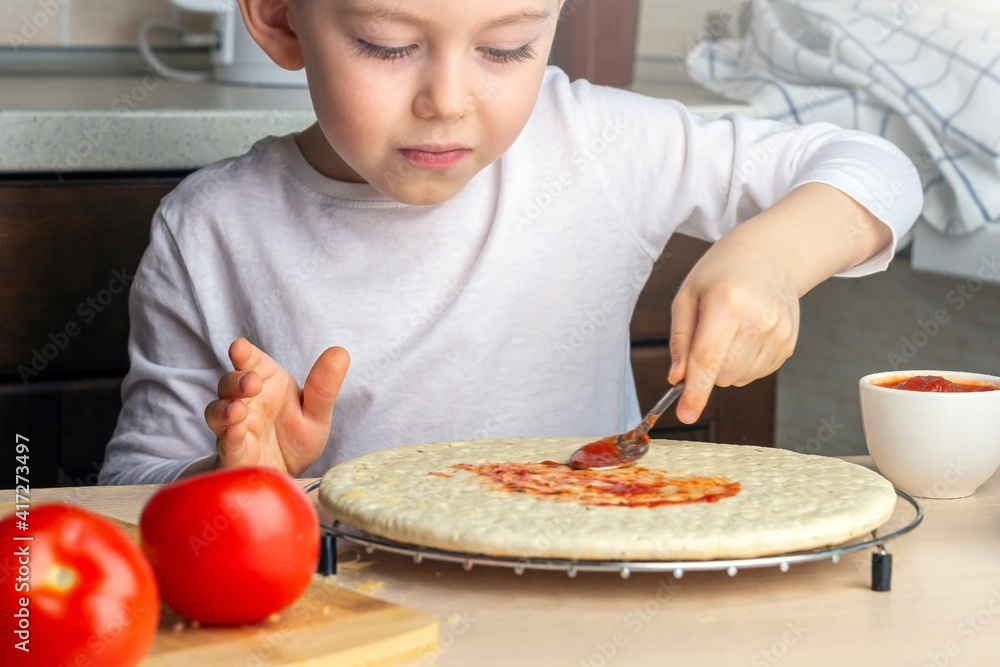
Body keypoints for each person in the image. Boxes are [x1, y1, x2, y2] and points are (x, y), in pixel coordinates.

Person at [98, 0, 922, 485]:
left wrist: (772, 257)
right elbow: (129, 489)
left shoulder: (595, 145)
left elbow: (879, 170)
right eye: (388, 46)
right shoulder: (209, 229)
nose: (448, 100)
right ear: (279, 20)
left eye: (507, 48)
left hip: (591, 604)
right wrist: (245, 477)